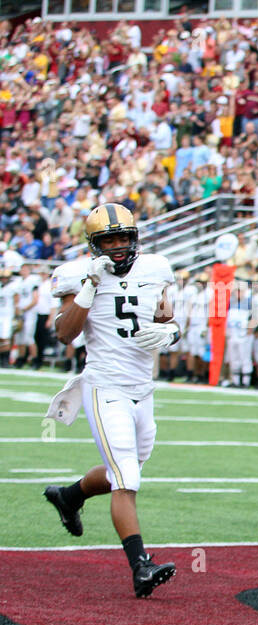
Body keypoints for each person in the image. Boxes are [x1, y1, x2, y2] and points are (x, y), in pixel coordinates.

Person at [42, 204, 179, 598]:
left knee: (128, 466)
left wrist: (172, 333)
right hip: (105, 387)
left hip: (143, 388)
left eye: (124, 238)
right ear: (95, 244)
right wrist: (89, 286)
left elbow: (167, 317)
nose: (118, 247)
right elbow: (66, 333)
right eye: (109, 240)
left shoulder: (155, 269)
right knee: (126, 478)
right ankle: (140, 566)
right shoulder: (77, 275)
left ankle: (69, 496)